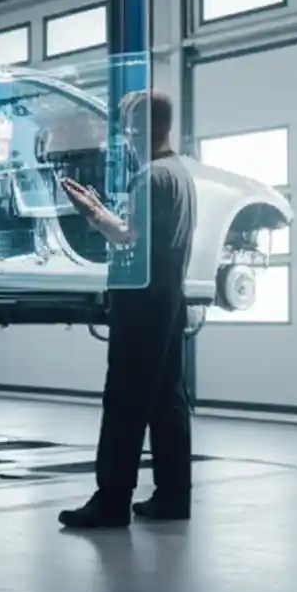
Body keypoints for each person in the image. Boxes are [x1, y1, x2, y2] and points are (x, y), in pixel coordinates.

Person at [56, 89, 196, 529]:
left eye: (127, 127)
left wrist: (90, 212)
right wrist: (104, 209)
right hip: (170, 297)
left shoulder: (150, 178)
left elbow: (127, 237)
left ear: (147, 128)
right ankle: (174, 496)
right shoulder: (180, 174)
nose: (122, 136)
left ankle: (111, 501)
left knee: (125, 400)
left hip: (141, 303)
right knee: (167, 398)